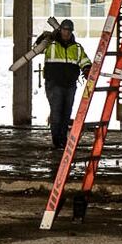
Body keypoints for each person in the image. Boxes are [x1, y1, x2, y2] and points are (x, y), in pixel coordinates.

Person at [36, 19, 90, 150]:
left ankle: (62, 139)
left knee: (66, 113)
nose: (66, 33)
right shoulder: (51, 44)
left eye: (69, 31)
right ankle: (57, 140)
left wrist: (87, 69)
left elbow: (85, 61)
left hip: (70, 85)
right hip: (54, 84)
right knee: (56, 112)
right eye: (65, 30)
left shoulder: (77, 48)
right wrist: (44, 37)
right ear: (60, 30)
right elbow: (37, 48)